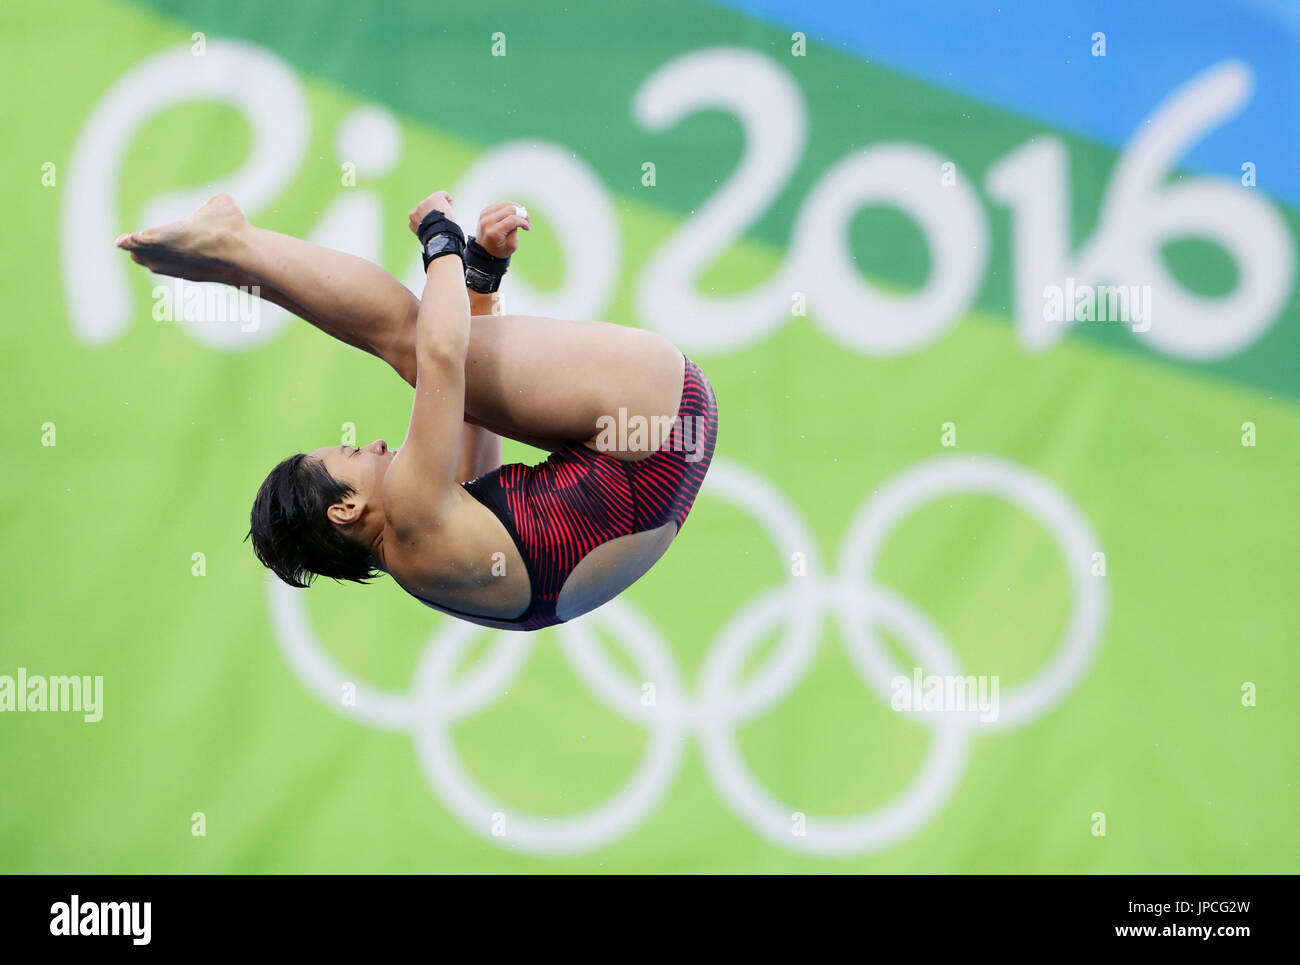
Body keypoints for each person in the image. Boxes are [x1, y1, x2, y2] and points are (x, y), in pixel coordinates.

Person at [117, 191, 718, 630]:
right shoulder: (407, 511)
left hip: (666, 438)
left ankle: (233, 262)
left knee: (422, 351)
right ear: (346, 508)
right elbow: (439, 351)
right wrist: (440, 240)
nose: (375, 445)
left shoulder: (423, 557)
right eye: (352, 455)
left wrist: (480, 279)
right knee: (407, 341)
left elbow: (473, 416)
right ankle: (233, 244)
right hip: (646, 415)